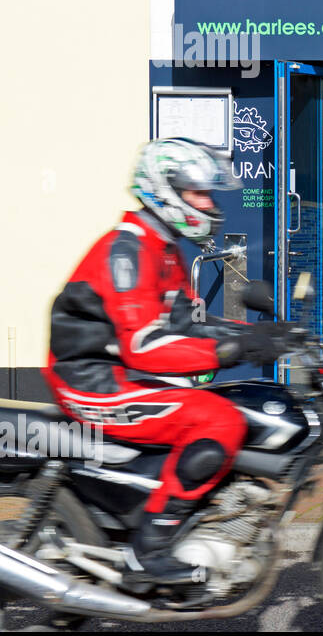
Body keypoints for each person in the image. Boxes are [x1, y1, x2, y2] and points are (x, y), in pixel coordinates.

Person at [44, 138, 291, 587]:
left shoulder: (164, 247)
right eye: (199, 194)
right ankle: (150, 550)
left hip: (120, 374)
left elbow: (190, 322)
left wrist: (259, 335)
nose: (210, 204)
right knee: (219, 421)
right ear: (165, 191)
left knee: (234, 405)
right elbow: (144, 345)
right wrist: (233, 350)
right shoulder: (128, 251)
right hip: (89, 382)